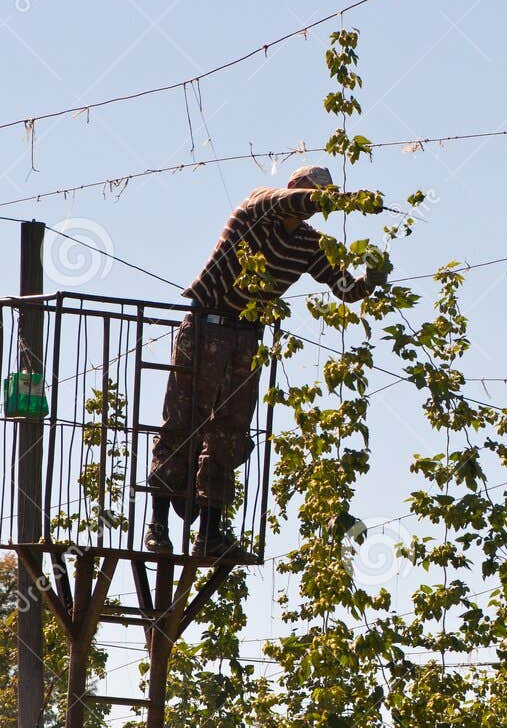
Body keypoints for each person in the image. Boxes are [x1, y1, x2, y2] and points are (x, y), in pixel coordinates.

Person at [145, 164, 387, 557]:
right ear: (293, 186)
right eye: (312, 193)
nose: (314, 204)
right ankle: (157, 527)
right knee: (182, 422)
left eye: (323, 196)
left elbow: (345, 289)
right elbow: (285, 201)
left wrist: (371, 278)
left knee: (229, 432)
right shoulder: (258, 205)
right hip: (207, 326)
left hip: (246, 339)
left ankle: (209, 535)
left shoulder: (309, 243)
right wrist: (351, 200)